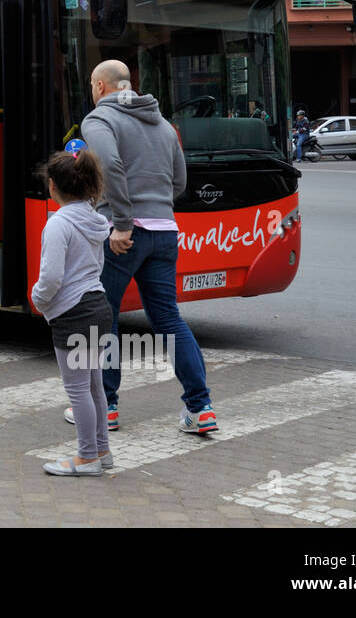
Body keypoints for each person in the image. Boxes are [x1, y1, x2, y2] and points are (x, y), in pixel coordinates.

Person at [78, 59, 217, 434]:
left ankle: (104, 407)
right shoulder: (163, 125)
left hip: (123, 234)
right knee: (169, 319)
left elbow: (108, 164)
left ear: (102, 87)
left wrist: (123, 221)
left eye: (93, 86)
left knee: (101, 317)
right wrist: (155, 206)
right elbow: (179, 181)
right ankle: (200, 408)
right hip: (164, 231)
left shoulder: (99, 120)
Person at [32, 149, 115, 476]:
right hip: (98, 307)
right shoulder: (96, 221)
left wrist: (38, 298)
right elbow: (96, 266)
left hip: (73, 313)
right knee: (94, 385)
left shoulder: (58, 225)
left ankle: (86, 457)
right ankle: (101, 450)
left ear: (53, 187)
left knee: (78, 390)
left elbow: (52, 277)